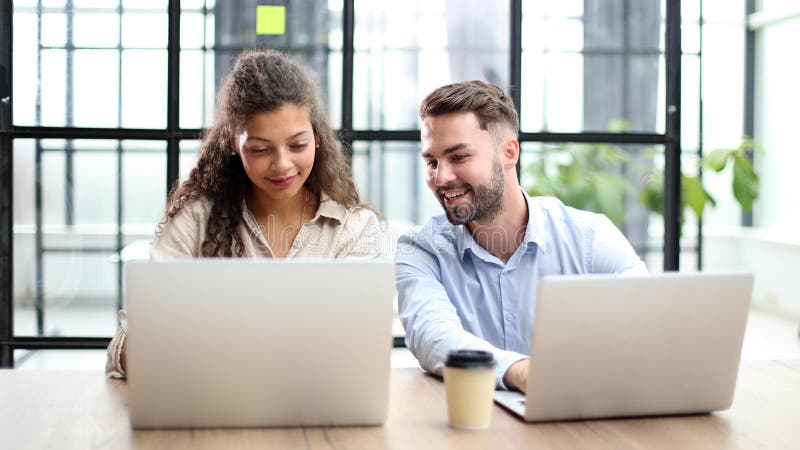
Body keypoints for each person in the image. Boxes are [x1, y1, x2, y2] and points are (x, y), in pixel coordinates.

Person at [106, 49, 387, 378]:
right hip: (213, 398)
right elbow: (124, 351)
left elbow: (355, 350)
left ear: (318, 139)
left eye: (298, 145)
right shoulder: (196, 219)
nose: (282, 164)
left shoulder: (353, 228)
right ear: (232, 144)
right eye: (260, 149)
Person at [395, 81, 647, 392]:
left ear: (508, 153)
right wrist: (522, 373)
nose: (441, 177)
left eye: (459, 157)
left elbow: (645, 321)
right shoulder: (421, 249)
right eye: (432, 162)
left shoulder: (589, 238)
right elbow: (432, 333)